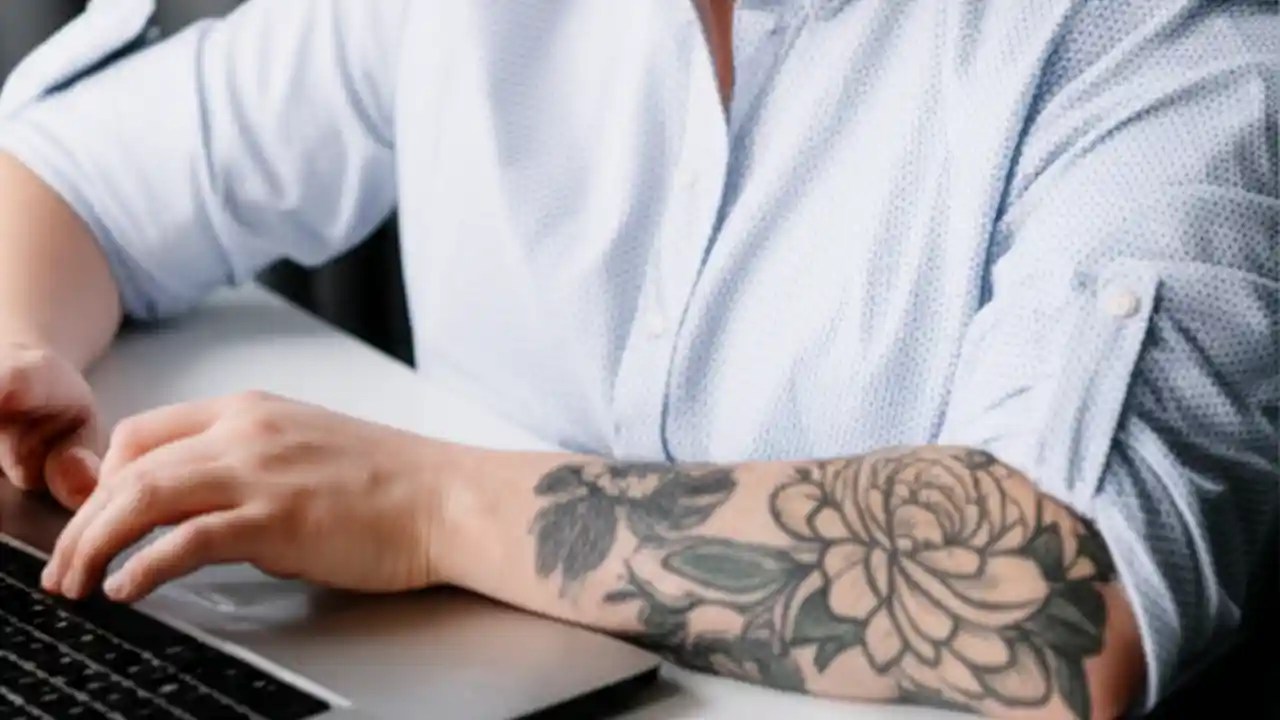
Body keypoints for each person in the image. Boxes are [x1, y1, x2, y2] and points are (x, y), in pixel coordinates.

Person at [0, 0, 1274, 717]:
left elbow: (1067, 595)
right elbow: (70, 177)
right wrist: (18, 349)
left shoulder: (1165, 46)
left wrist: (423, 503)